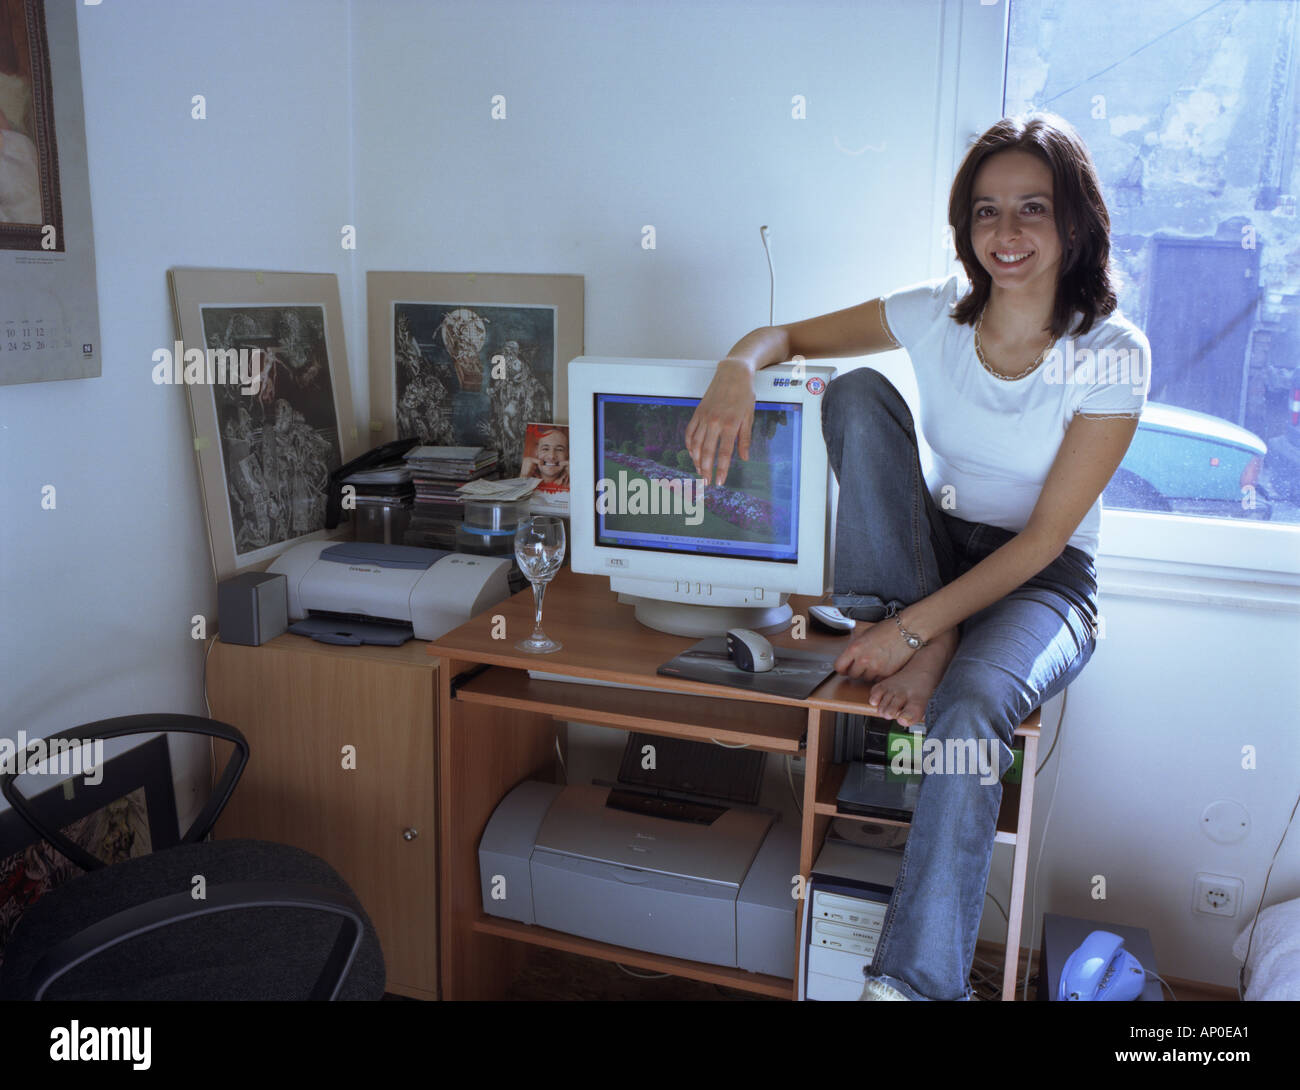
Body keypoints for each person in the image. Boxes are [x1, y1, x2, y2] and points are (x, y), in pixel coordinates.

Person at [684, 111, 1150, 1002]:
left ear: (1075, 223)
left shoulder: (1111, 353)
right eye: (985, 211)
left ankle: (912, 987)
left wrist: (907, 629)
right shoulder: (937, 311)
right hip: (935, 548)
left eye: (1031, 210)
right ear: (964, 225)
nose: (1005, 235)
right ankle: (934, 636)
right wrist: (735, 368)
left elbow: (1047, 540)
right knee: (857, 392)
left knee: (971, 716)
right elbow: (785, 339)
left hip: (1043, 582)